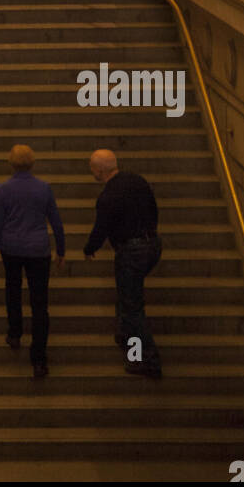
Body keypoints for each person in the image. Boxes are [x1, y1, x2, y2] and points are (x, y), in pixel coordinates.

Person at [0, 144, 65, 379]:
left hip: (11, 248)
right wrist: (60, 249)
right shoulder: (44, 188)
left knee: (12, 290)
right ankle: (39, 358)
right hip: (38, 249)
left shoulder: (3, 189)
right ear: (32, 162)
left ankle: (15, 332)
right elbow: (56, 221)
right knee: (40, 303)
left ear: (11, 163)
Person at [84, 149, 163, 379]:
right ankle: (124, 334)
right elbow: (153, 208)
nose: (91, 172)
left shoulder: (108, 196)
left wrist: (89, 249)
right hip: (152, 244)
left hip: (132, 251)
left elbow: (101, 229)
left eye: (91, 168)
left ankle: (146, 358)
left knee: (132, 307)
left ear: (99, 170)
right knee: (128, 297)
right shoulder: (137, 180)